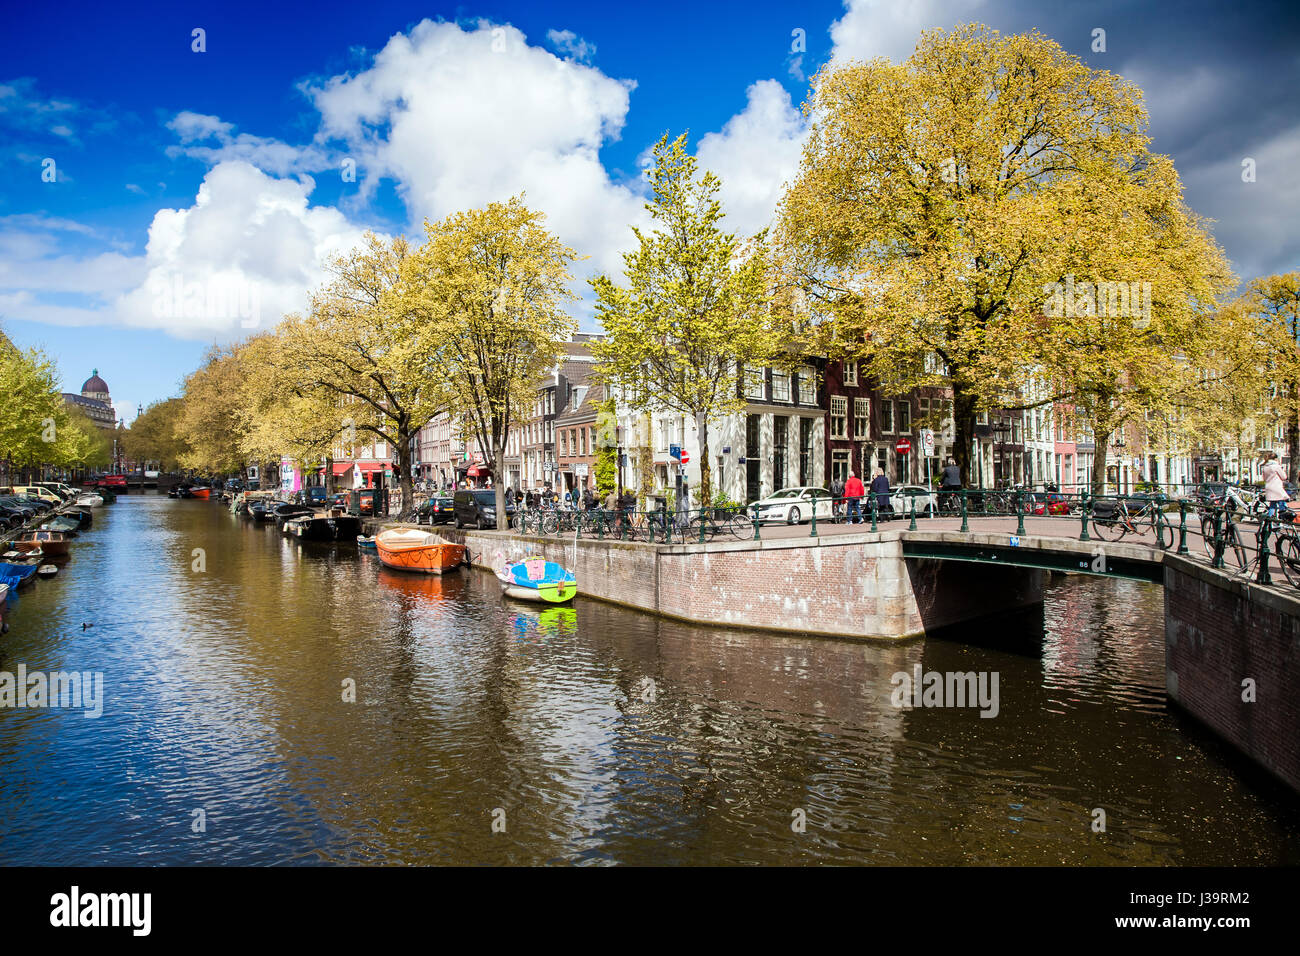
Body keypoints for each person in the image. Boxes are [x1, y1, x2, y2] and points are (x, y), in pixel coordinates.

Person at [1262, 450, 1290, 520]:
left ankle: (1269, 520)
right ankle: (1283, 519)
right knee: (1282, 503)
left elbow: (1264, 478)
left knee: (1272, 505)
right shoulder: (1276, 466)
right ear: (1275, 459)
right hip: (1277, 488)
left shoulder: (1265, 467)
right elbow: (1284, 477)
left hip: (1269, 487)